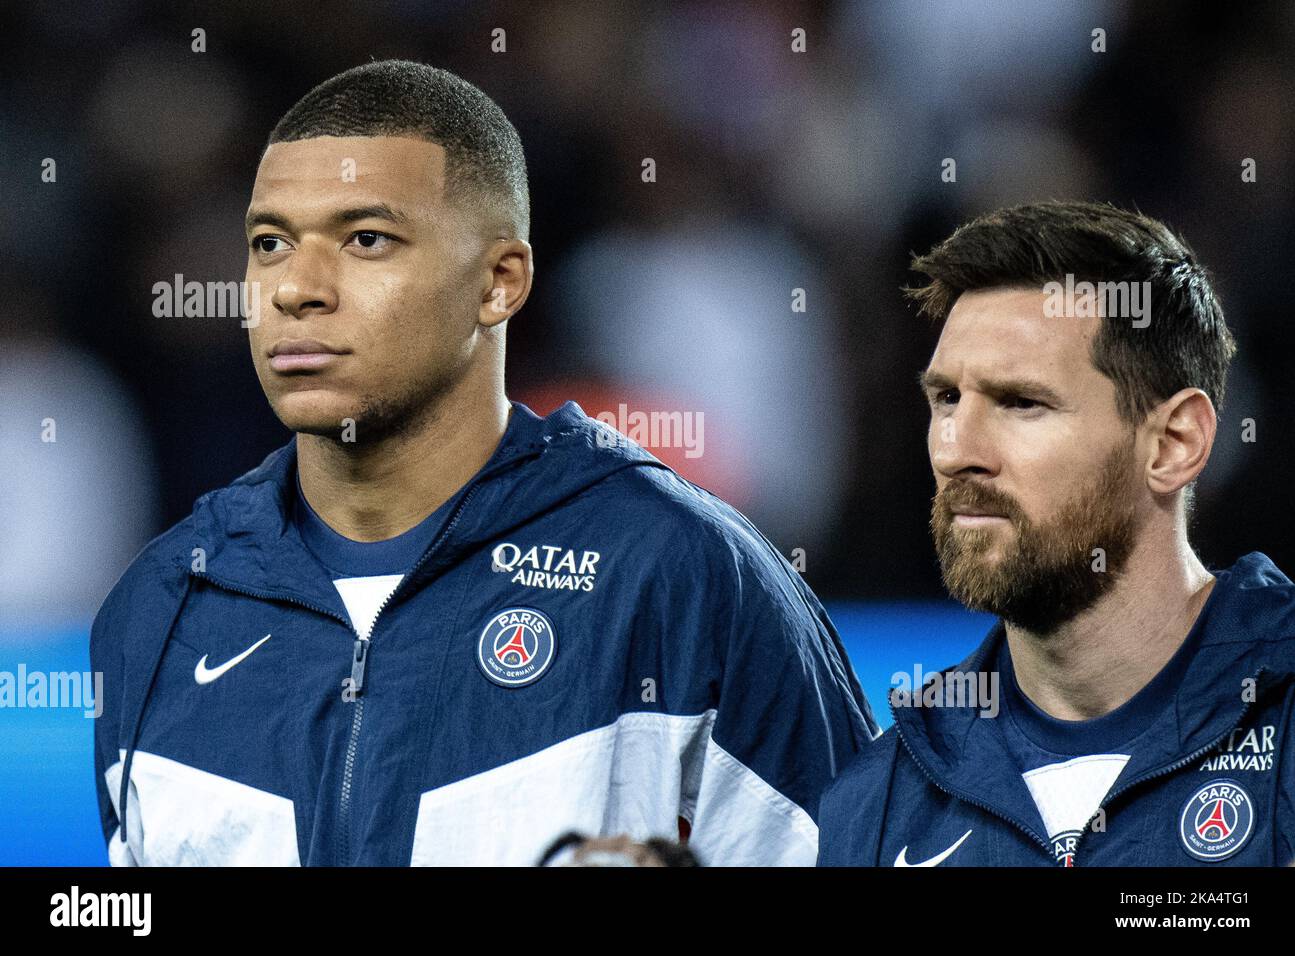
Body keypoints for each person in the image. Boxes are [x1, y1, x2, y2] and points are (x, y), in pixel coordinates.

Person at [91, 60, 876, 866]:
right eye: (271, 242)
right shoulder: (162, 606)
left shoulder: (681, 575)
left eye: (367, 239)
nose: (297, 288)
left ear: (500, 283)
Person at [819, 201, 1295, 866]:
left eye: (1022, 403)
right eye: (947, 399)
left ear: (1173, 443)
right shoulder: (880, 800)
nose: (958, 450)